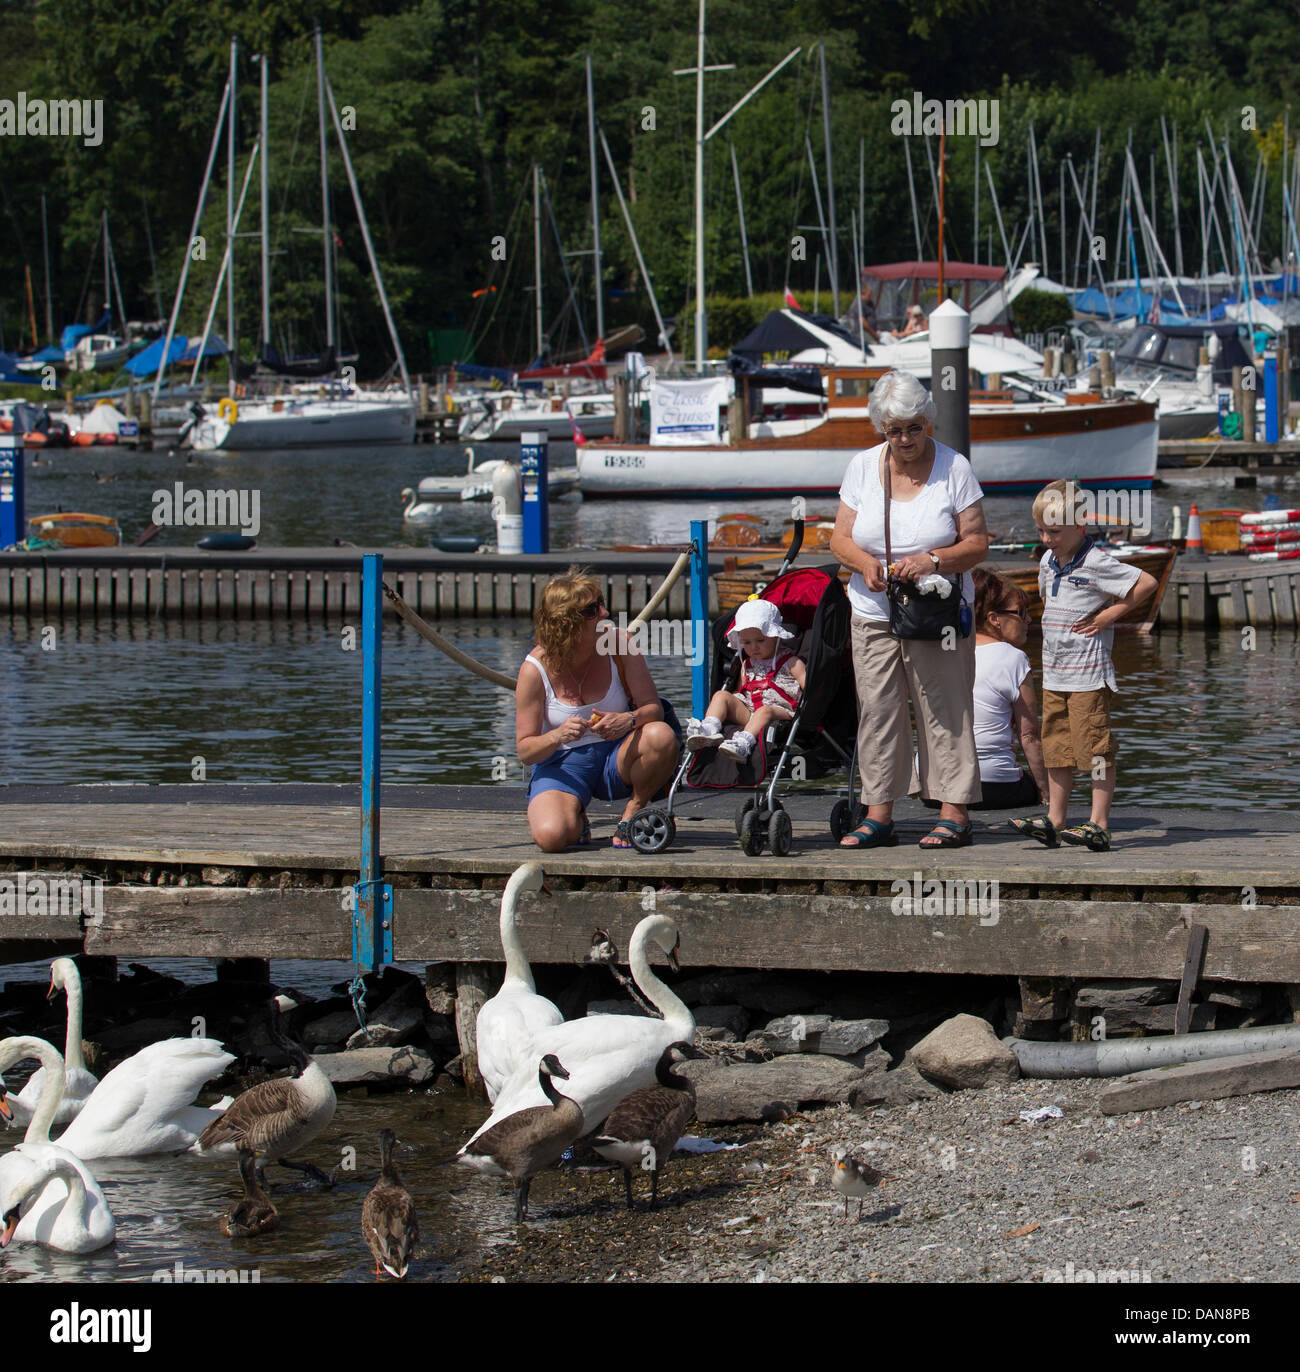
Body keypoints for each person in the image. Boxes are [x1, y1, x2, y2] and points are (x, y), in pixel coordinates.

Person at [828, 368, 989, 848]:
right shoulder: (861, 466)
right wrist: (864, 563)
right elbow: (838, 538)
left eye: (914, 428)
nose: (905, 438)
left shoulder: (954, 467)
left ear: (928, 422)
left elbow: (978, 543)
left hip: (936, 614)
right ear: (881, 427)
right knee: (878, 710)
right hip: (873, 610)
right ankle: (879, 814)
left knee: (945, 708)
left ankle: (954, 813)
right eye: (894, 430)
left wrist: (933, 559)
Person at [1010, 480, 1157, 852]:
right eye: (1041, 530)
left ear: (1081, 526)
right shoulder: (1046, 561)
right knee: (1056, 747)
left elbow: (1147, 582)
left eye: (1055, 531)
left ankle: (1099, 823)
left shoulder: (1096, 562)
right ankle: (1056, 820)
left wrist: (1110, 614)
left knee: (1094, 748)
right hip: (1055, 672)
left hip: (1088, 675)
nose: (1047, 538)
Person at [516, 567, 679, 851]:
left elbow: (653, 709)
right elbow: (526, 751)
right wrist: (558, 735)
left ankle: (633, 810)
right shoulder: (534, 669)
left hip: (618, 757)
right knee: (551, 838)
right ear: (566, 623)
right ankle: (576, 814)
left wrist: (628, 720)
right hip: (564, 764)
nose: (604, 613)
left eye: (602, 602)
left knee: (660, 735)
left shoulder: (619, 643)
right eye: (592, 610)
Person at [965, 568, 1049, 808]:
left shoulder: (948, 651)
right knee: (1042, 783)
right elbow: (1029, 736)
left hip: (934, 788)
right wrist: (1047, 795)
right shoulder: (1014, 658)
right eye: (1021, 613)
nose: (1029, 620)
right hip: (988, 787)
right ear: (994, 619)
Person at [684, 598, 806, 762]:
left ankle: (743, 743)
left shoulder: (792, 662)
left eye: (760, 641)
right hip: (751, 710)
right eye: (747, 642)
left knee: (764, 711)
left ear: (776, 637)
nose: (753, 647)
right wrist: (731, 702)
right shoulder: (746, 664)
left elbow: (809, 689)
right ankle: (709, 729)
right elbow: (742, 691)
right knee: (721, 695)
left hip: (780, 711)